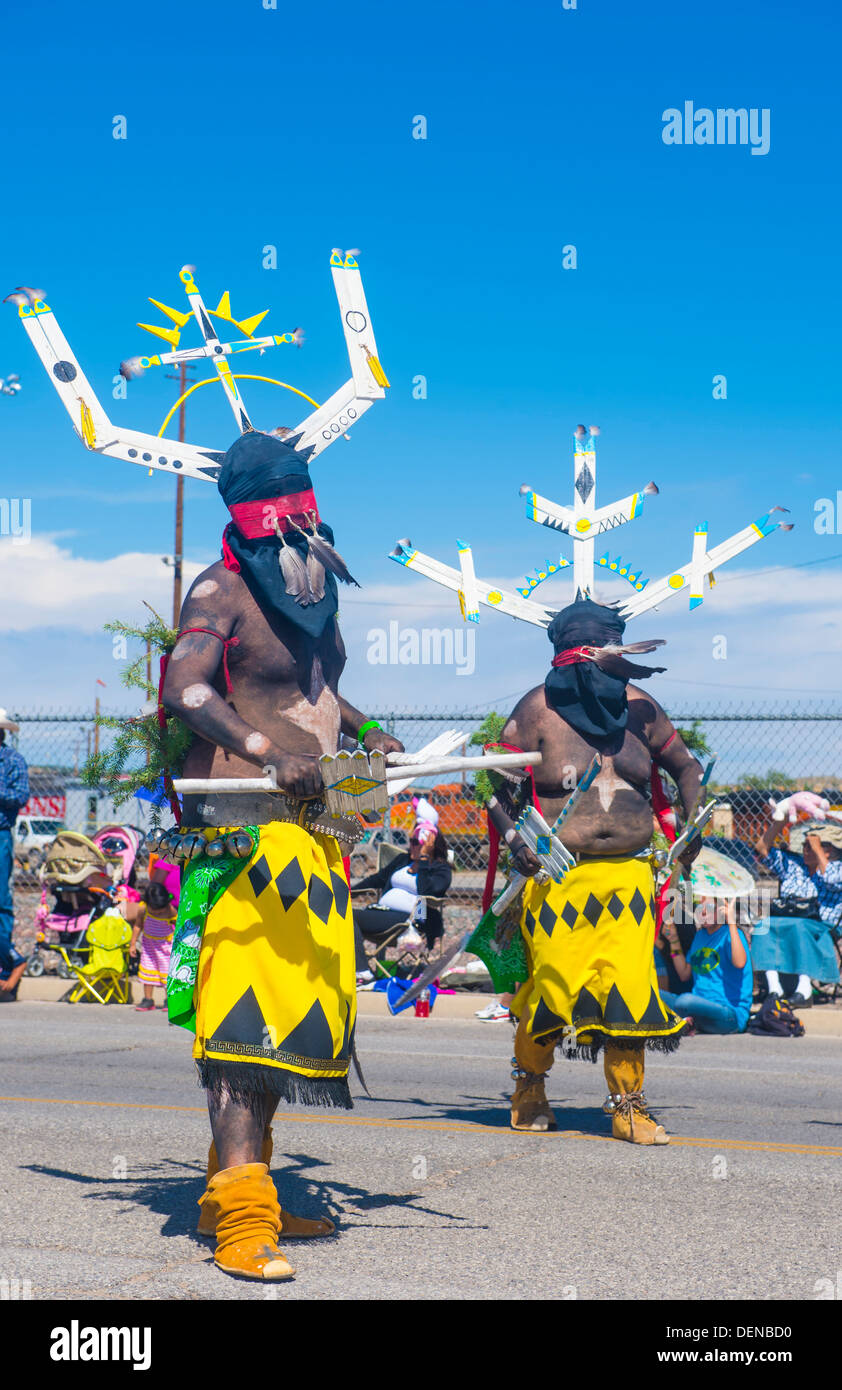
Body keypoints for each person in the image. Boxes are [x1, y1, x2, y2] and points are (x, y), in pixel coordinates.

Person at [160, 428, 404, 1281]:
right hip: (243, 832)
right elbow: (183, 688)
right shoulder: (219, 589)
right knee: (240, 1024)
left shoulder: (314, 598)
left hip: (316, 835)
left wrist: (369, 735)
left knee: (285, 1024)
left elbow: (318, 694)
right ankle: (240, 1217)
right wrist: (271, 755)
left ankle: (244, 1194)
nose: (301, 529)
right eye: (285, 509)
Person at [484, 599, 702, 1145]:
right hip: (559, 881)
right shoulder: (538, 709)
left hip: (629, 879)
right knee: (552, 994)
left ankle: (628, 1108)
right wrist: (515, 839)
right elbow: (495, 791)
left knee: (630, 993)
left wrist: (693, 824)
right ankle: (529, 1087)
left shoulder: (642, 709)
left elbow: (688, 768)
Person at [753, 811, 842, 1008]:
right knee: (763, 926)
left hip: (823, 924)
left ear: (830, 850)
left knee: (801, 928)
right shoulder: (794, 865)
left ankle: (804, 990)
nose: (804, 850)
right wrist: (781, 819)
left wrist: (817, 850)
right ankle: (775, 989)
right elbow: (761, 849)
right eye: (804, 846)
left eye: (809, 846)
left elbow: (831, 879)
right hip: (788, 919)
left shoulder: (838, 867)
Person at [352, 825, 452, 980]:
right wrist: (348, 891)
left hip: (410, 920)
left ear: (430, 846)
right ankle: (356, 967)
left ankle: (361, 970)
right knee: (344, 914)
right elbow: (377, 879)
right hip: (382, 911)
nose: (410, 846)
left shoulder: (441, 870)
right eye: (411, 841)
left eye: (416, 842)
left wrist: (424, 859)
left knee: (351, 917)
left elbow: (426, 891)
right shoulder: (403, 860)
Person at [659, 898, 753, 1035]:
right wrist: (673, 939)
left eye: (709, 907)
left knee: (685, 1001)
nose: (703, 912)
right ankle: (687, 1021)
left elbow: (739, 963)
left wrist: (732, 922)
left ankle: (682, 1021)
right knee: (650, 994)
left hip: (729, 1014)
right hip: (697, 1007)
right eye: (699, 908)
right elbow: (684, 974)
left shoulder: (732, 933)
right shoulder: (700, 936)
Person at [0, 709, 30, 1002]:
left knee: (0, 901)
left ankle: (5, 965)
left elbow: (20, 796)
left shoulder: (12, 760)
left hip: (0, 834)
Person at [126, 882, 177, 1011]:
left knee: (167, 973)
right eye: (155, 910)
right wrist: (133, 944)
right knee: (147, 972)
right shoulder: (143, 909)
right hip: (149, 947)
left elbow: (178, 926)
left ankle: (169, 1000)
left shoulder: (170, 911)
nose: (158, 913)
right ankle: (148, 999)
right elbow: (138, 925)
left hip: (166, 947)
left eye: (160, 911)